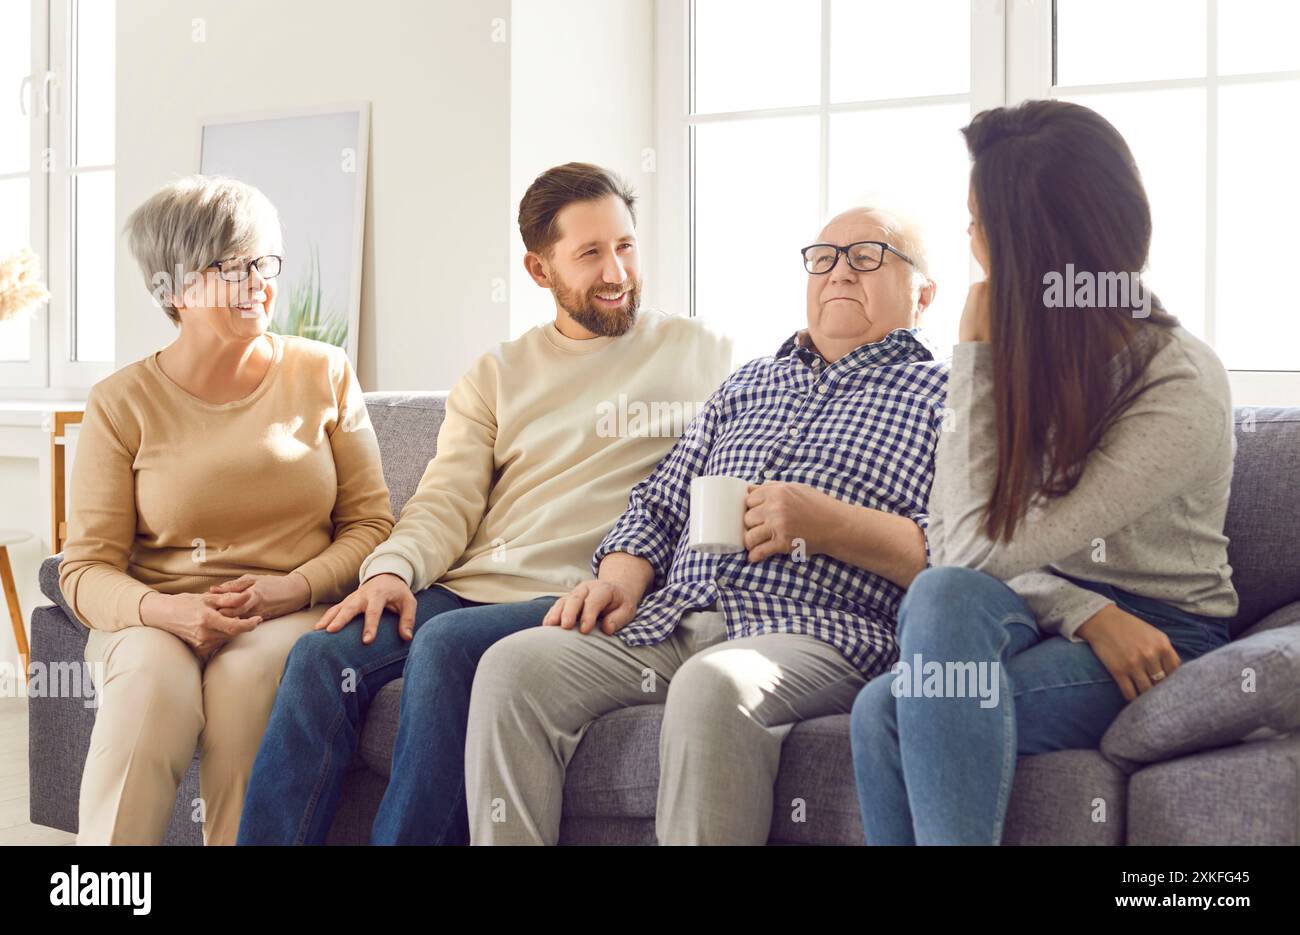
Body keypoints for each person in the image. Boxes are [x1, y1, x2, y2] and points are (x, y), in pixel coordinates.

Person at [237, 163, 733, 845]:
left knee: (445, 647)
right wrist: (391, 572)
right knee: (318, 656)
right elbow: (446, 499)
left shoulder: (702, 353)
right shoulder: (498, 373)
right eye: (590, 253)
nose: (616, 270)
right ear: (538, 269)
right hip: (468, 587)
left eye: (624, 245)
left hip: (577, 595)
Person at [465, 206, 948, 845]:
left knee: (713, 685)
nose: (838, 272)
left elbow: (960, 555)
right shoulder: (748, 384)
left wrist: (826, 525)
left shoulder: (948, 394)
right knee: (512, 667)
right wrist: (620, 580)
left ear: (924, 294)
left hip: (820, 631)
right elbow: (659, 505)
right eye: (824, 257)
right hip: (676, 617)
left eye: (866, 257)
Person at [849, 100, 1238, 845]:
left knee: (887, 711)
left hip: (1161, 633)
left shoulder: (1179, 385)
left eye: (978, 225)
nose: (969, 243)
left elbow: (977, 547)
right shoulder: (1023, 354)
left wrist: (973, 354)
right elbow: (954, 546)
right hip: (1047, 613)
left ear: (1031, 248)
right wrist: (1083, 610)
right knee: (941, 598)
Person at [61, 175, 394, 845]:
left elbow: (372, 525)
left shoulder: (324, 372)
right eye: (230, 268)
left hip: (287, 609)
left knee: (246, 681)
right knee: (152, 684)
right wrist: (171, 612)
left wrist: (291, 588)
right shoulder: (120, 401)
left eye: (263, 263)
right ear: (175, 290)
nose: (257, 284)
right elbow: (85, 569)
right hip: (155, 614)